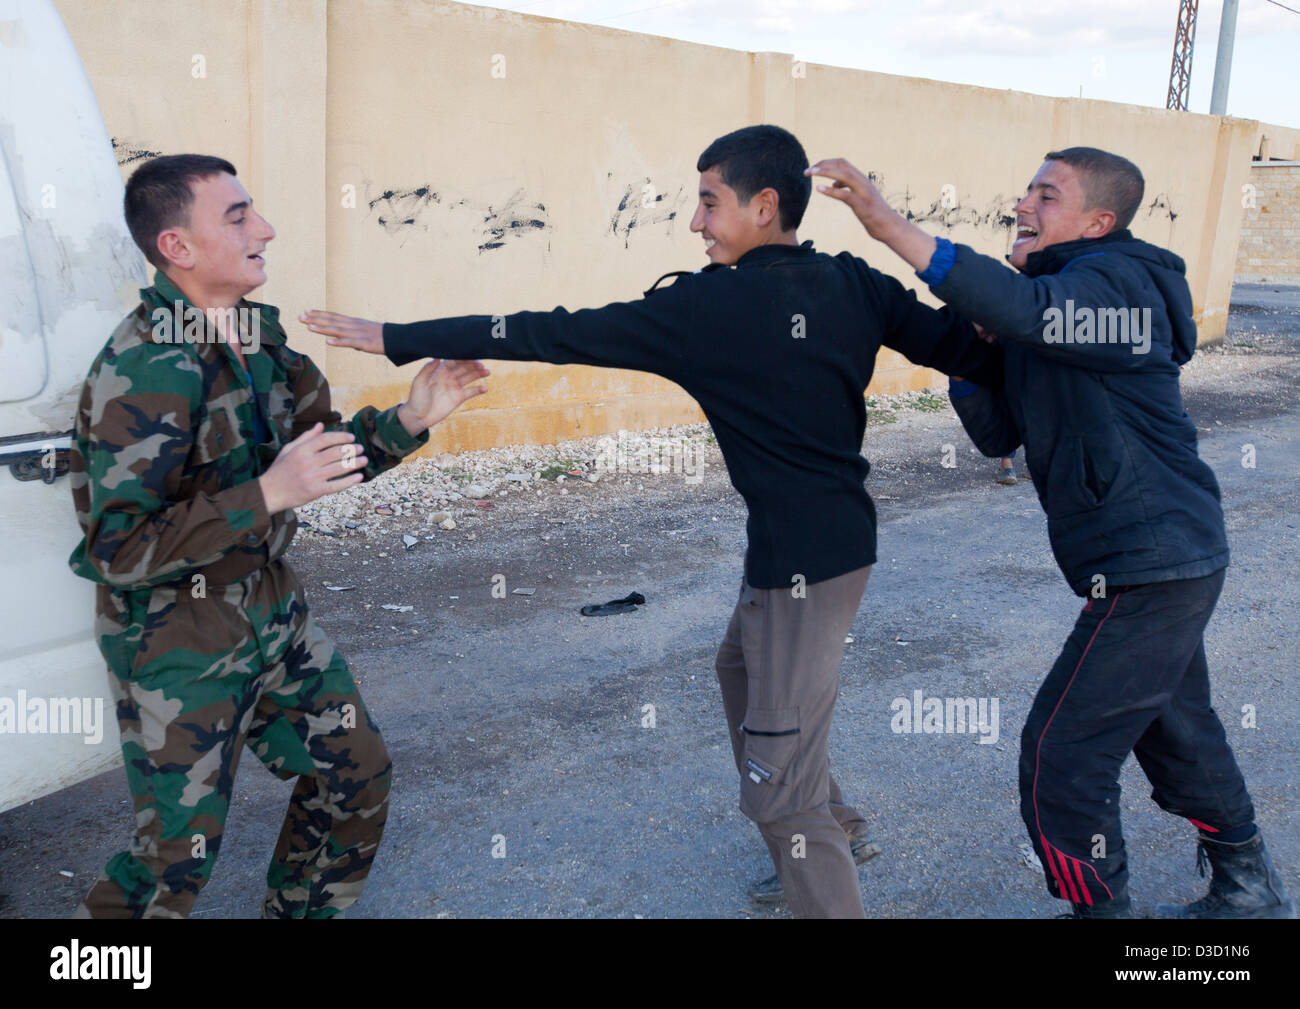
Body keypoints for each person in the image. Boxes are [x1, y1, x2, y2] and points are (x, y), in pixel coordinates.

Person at [303, 125, 999, 918]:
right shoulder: (856, 283)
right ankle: (834, 820)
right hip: (823, 544)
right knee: (740, 672)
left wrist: (399, 340)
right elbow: (971, 349)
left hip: (808, 564)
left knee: (780, 795)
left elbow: (547, 328)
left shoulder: (703, 309)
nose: (695, 223)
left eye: (708, 203)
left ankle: (814, 834)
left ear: (764, 206)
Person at [807, 148, 1294, 919]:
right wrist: (972, 352)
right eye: (1027, 188)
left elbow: (1033, 312)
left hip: (1157, 558)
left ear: (1098, 221)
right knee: (1177, 729)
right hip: (1150, 560)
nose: (1024, 202)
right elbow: (1001, 435)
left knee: (1060, 757)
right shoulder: (1045, 307)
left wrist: (886, 223)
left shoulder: (1121, 284)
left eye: (1047, 194)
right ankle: (1248, 884)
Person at [68, 154, 489, 918]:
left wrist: (408, 419)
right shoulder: (142, 367)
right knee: (172, 865)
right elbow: (116, 548)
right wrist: (264, 494)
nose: (265, 229)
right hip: (176, 641)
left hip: (270, 609)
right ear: (178, 248)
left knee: (356, 776)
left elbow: (320, 453)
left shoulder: (260, 344)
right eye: (237, 217)